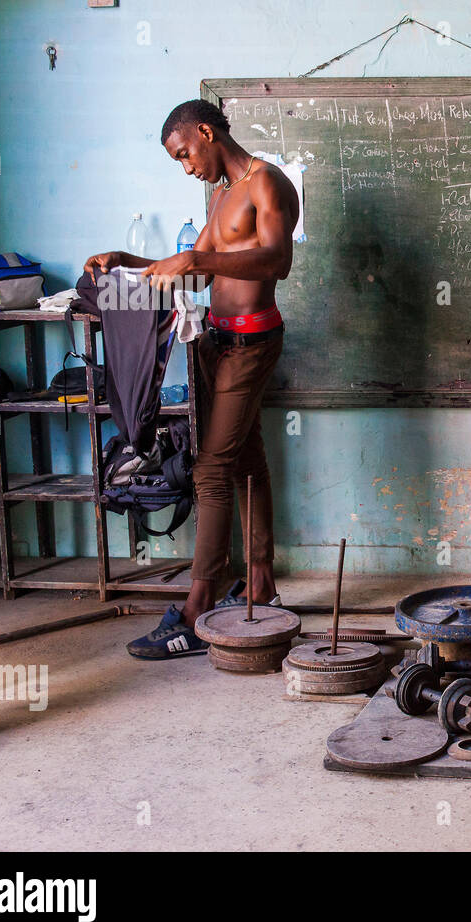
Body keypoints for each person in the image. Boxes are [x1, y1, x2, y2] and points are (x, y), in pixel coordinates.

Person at [84, 99, 300, 659]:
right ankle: (260, 585)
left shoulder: (267, 184)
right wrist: (127, 261)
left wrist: (195, 265)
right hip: (215, 342)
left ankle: (196, 608)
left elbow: (277, 261)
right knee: (247, 459)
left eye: (185, 153)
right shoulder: (222, 197)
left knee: (211, 468)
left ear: (206, 132)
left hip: (251, 342)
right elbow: (195, 266)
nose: (187, 166)